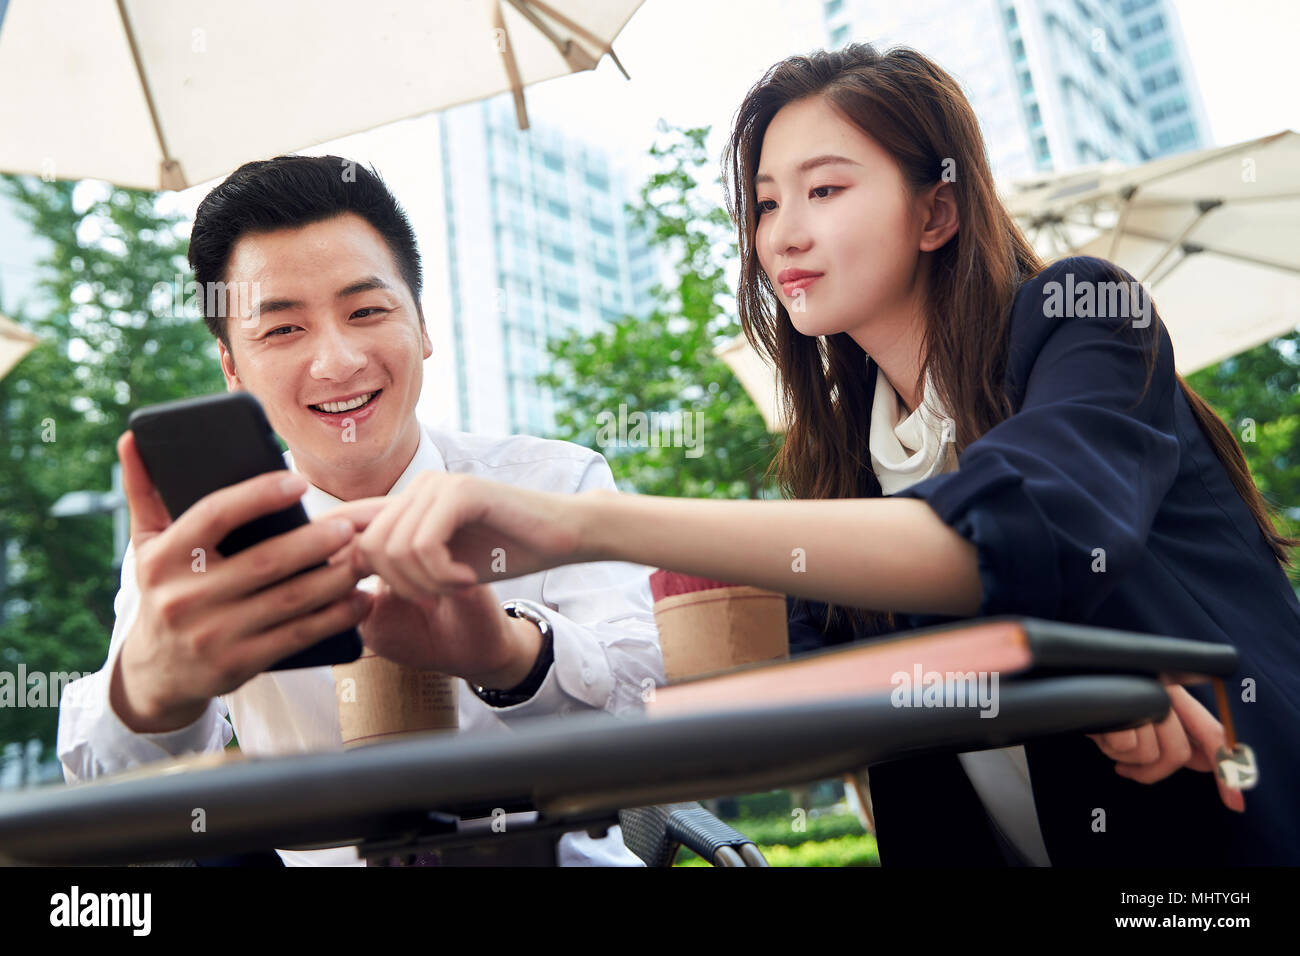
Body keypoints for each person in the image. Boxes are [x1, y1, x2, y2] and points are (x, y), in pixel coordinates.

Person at [327, 45, 1300, 866]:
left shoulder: (1083, 317)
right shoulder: (847, 455)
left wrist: (580, 524)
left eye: (825, 189)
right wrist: (494, 649)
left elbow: (1019, 531)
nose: (780, 234)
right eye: (761, 204)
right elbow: (780, 679)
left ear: (935, 212)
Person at [56, 155, 664, 867]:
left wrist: (506, 654)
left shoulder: (554, 483)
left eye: (367, 311)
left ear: (424, 326)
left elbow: (655, 700)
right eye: (283, 330)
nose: (338, 361)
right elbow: (107, 795)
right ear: (231, 366)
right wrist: (149, 690)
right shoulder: (204, 542)